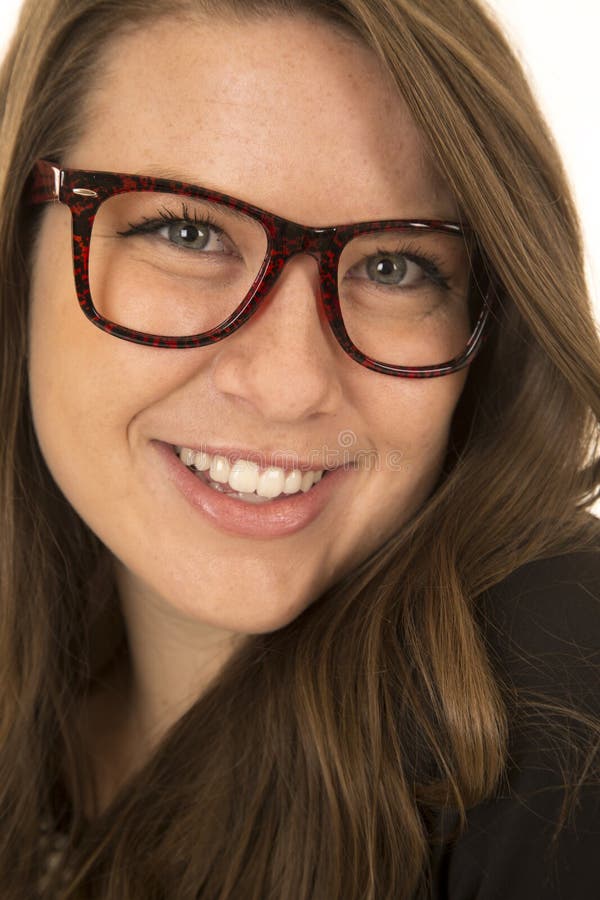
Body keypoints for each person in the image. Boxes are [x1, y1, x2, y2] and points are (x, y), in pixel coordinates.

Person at [0, 0, 598, 897]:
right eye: (187, 232)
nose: (288, 385)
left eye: (394, 266)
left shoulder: (568, 701)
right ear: (18, 249)